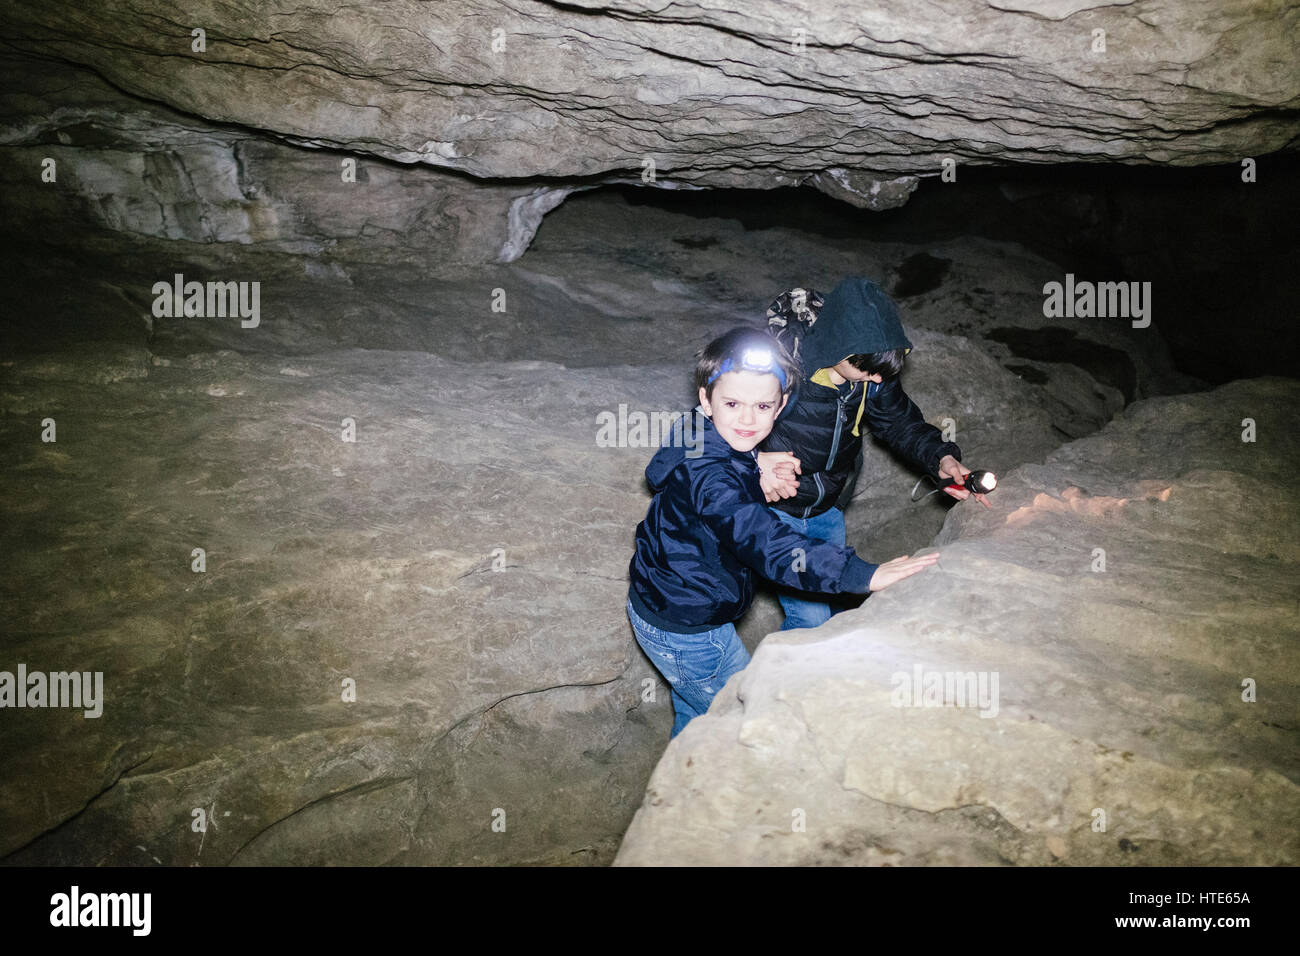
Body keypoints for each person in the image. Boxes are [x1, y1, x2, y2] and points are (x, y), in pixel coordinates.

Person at [627, 326, 939, 738]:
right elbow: (765, 541)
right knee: (742, 718)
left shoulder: (698, 435)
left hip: (670, 603)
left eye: (762, 406)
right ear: (705, 399)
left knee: (695, 705)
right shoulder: (713, 478)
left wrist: (755, 460)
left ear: (781, 406)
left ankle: (675, 784)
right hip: (691, 627)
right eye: (733, 403)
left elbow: (712, 459)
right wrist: (862, 574)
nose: (746, 418)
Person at [756, 277, 988, 632]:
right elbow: (708, 434)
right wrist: (754, 464)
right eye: (869, 370)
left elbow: (900, 423)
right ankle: (771, 684)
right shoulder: (777, 371)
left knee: (824, 609)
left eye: (883, 372)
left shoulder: (869, 374)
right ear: (839, 347)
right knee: (812, 617)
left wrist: (940, 458)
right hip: (773, 512)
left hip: (826, 510)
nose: (877, 381)